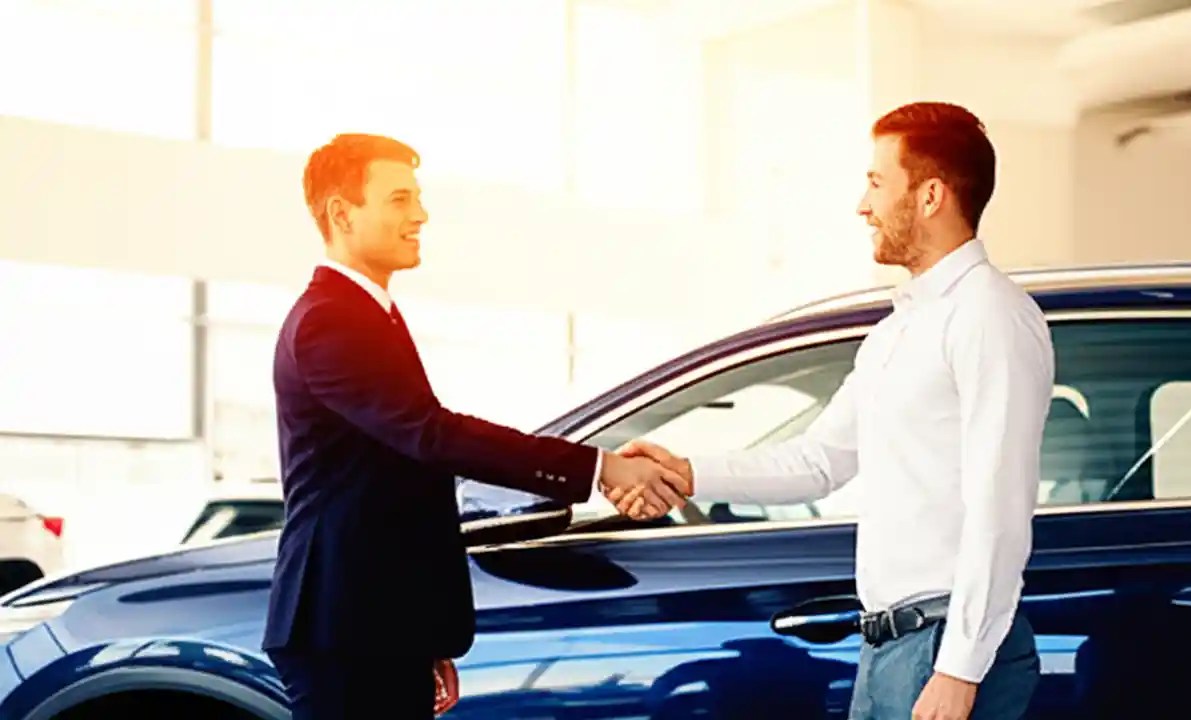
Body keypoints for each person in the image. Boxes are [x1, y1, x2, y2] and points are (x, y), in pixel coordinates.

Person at [611, 103, 1054, 720]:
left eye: (876, 182)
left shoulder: (989, 317)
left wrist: (960, 668)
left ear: (930, 196)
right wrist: (686, 472)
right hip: (890, 650)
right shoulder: (899, 330)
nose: (861, 205)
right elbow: (820, 460)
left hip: (943, 647)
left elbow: (1000, 506)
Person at [263, 133, 690, 719]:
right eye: (398, 199)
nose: (420, 214)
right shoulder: (329, 322)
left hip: (375, 624)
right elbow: (433, 436)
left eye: (416, 197)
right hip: (342, 626)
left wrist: (422, 634)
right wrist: (600, 466)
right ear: (342, 213)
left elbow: (400, 477)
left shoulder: (365, 314)